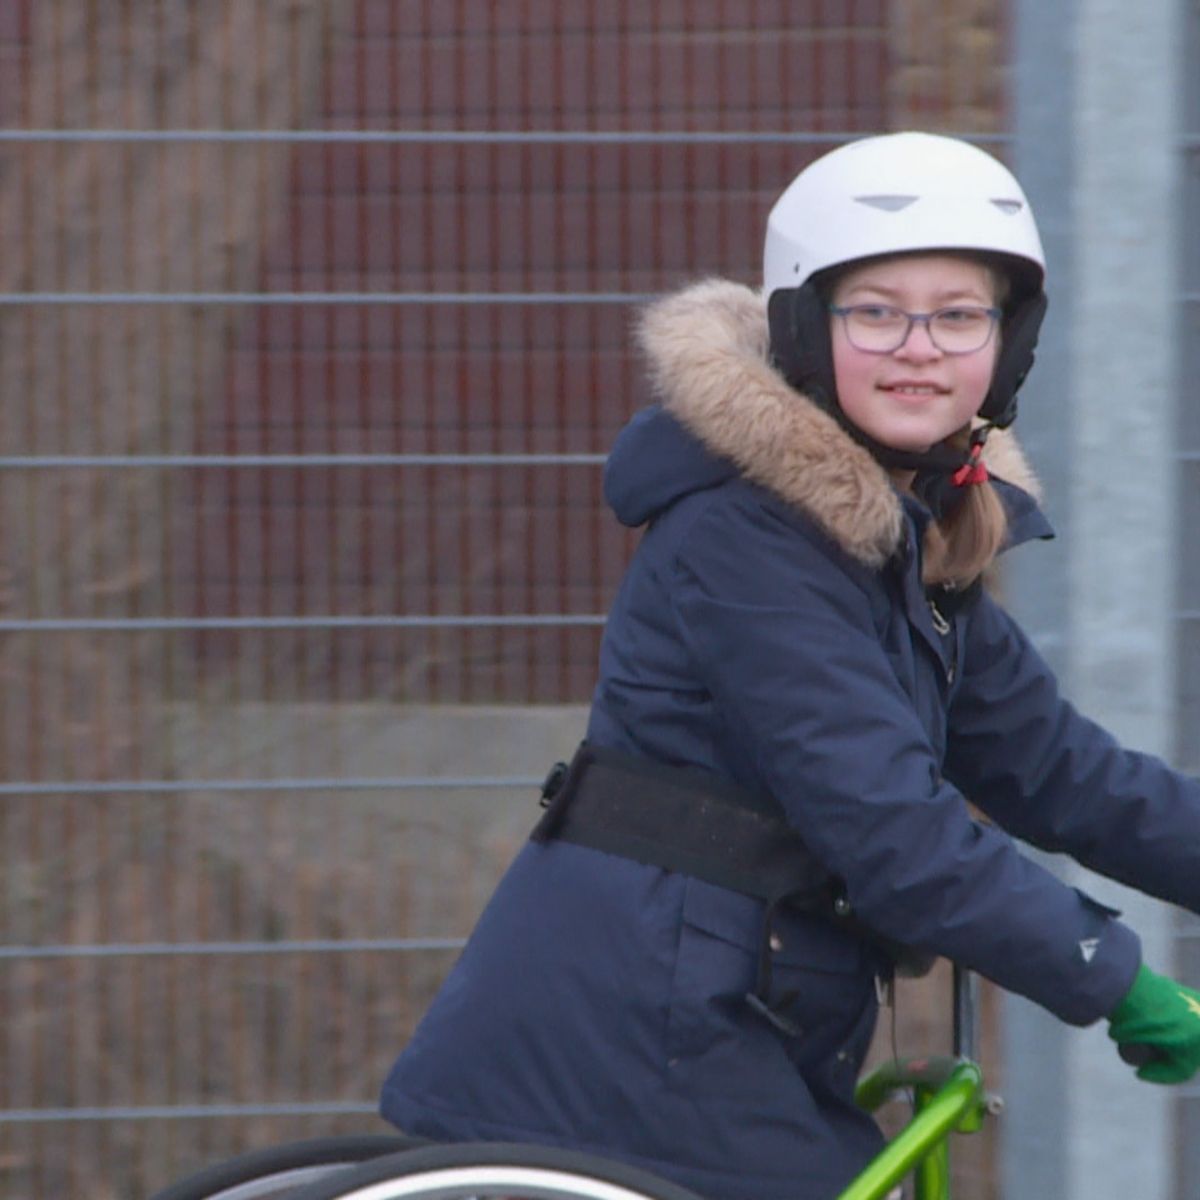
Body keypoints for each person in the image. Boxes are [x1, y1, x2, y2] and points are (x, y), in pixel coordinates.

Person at [379, 132, 1200, 1200]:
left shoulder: (910, 544)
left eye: (959, 316)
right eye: (877, 313)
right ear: (807, 327)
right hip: (637, 1045)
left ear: (1010, 345)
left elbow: (1063, 775)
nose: (920, 348)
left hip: (736, 1022)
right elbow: (895, 833)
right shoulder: (748, 537)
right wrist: (1115, 976)